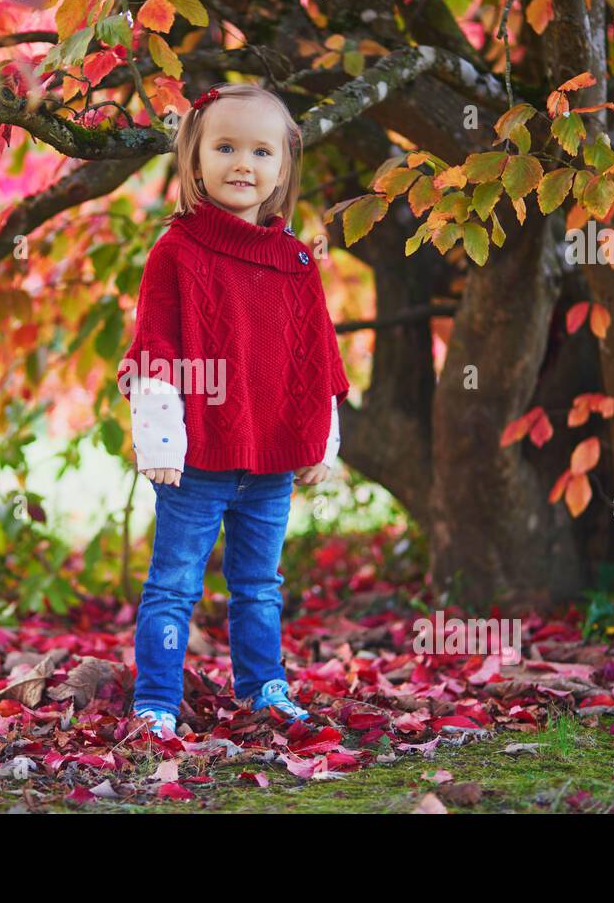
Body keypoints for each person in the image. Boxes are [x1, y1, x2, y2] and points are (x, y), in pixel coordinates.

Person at [114, 82, 351, 740]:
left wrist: (321, 443)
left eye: (259, 151)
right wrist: (160, 439)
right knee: (175, 585)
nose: (242, 163)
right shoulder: (177, 251)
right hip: (198, 460)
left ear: (282, 167)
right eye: (224, 147)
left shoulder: (298, 260)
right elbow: (155, 347)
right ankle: (156, 700)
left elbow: (318, 362)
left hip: (272, 462)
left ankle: (263, 687)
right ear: (194, 160)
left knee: (259, 585)